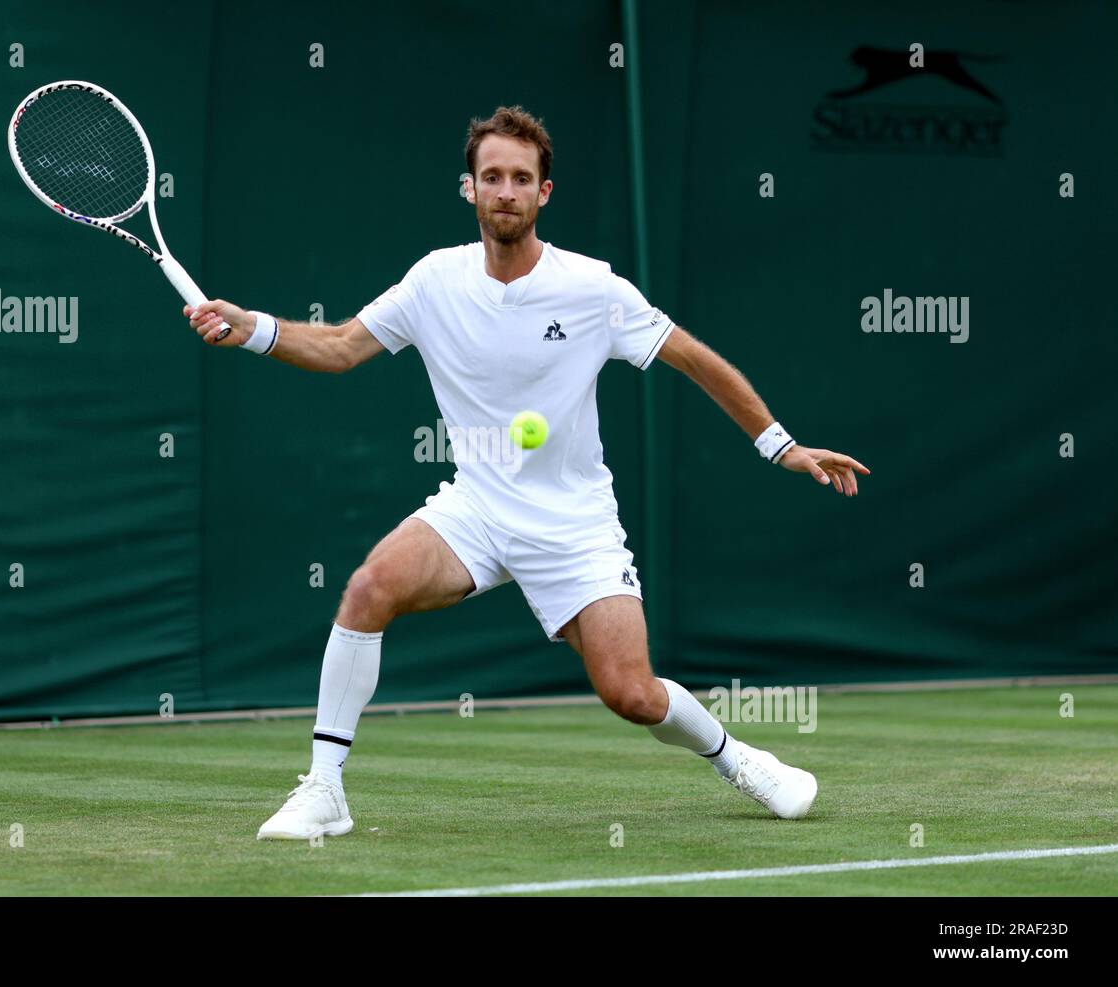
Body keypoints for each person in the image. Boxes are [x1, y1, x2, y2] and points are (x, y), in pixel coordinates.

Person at [184, 106, 870, 840]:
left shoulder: (594, 290)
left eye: (520, 178)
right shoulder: (433, 282)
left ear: (544, 193)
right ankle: (324, 788)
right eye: (491, 178)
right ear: (470, 190)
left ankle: (739, 759)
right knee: (367, 587)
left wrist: (781, 445)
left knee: (632, 693)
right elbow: (340, 347)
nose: (505, 190)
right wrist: (250, 328)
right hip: (476, 509)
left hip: (574, 524)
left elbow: (693, 359)